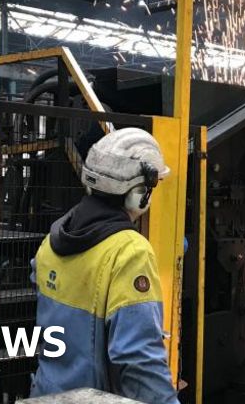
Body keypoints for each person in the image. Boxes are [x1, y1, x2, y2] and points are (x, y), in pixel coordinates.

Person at [30, 127, 179, 404]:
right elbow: (137, 359)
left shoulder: (50, 243)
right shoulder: (129, 252)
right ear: (139, 194)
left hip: (45, 394)